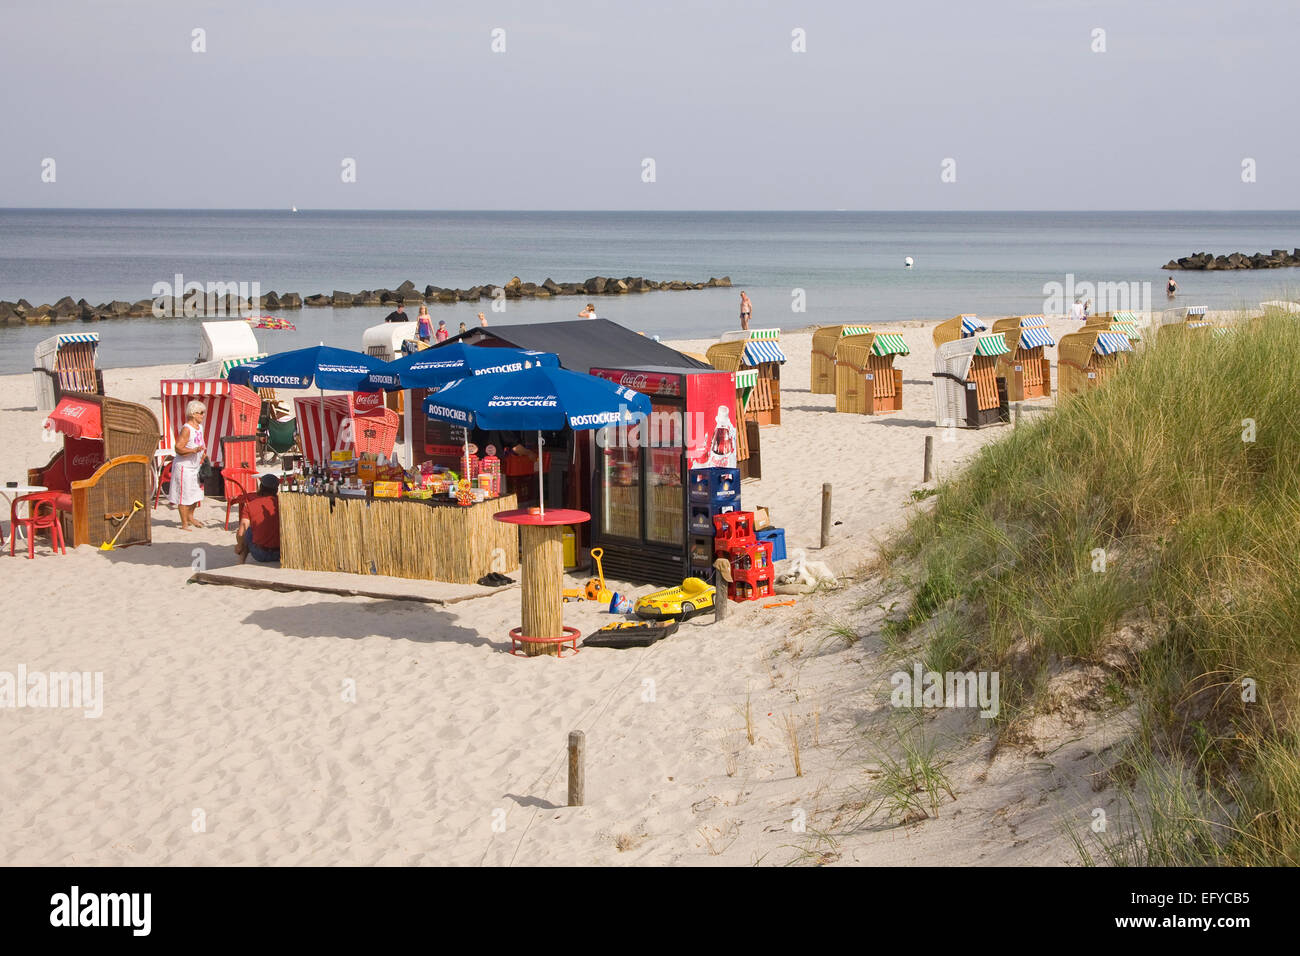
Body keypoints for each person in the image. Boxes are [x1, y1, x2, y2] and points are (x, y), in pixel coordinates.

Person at [169, 400, 207, 529]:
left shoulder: (199, 427)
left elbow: (200, 443)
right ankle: (184, 523)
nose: (203, 415)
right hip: (184, 467)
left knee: (196, 494)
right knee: (184, 495)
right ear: (193, 414)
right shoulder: (186, 429)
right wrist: (193, 450)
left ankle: (191, 517)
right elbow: (178, 448)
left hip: (195, 466)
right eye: (201, 413)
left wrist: (202, 454)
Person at [234, 474, 280, 564]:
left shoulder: (251, 505)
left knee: (248, 531)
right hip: (282, 553)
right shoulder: (282, 503)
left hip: (260, 554)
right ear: (276, 489)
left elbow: (241, 531)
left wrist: (239, 546)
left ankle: (240, 562)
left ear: (261, 487)